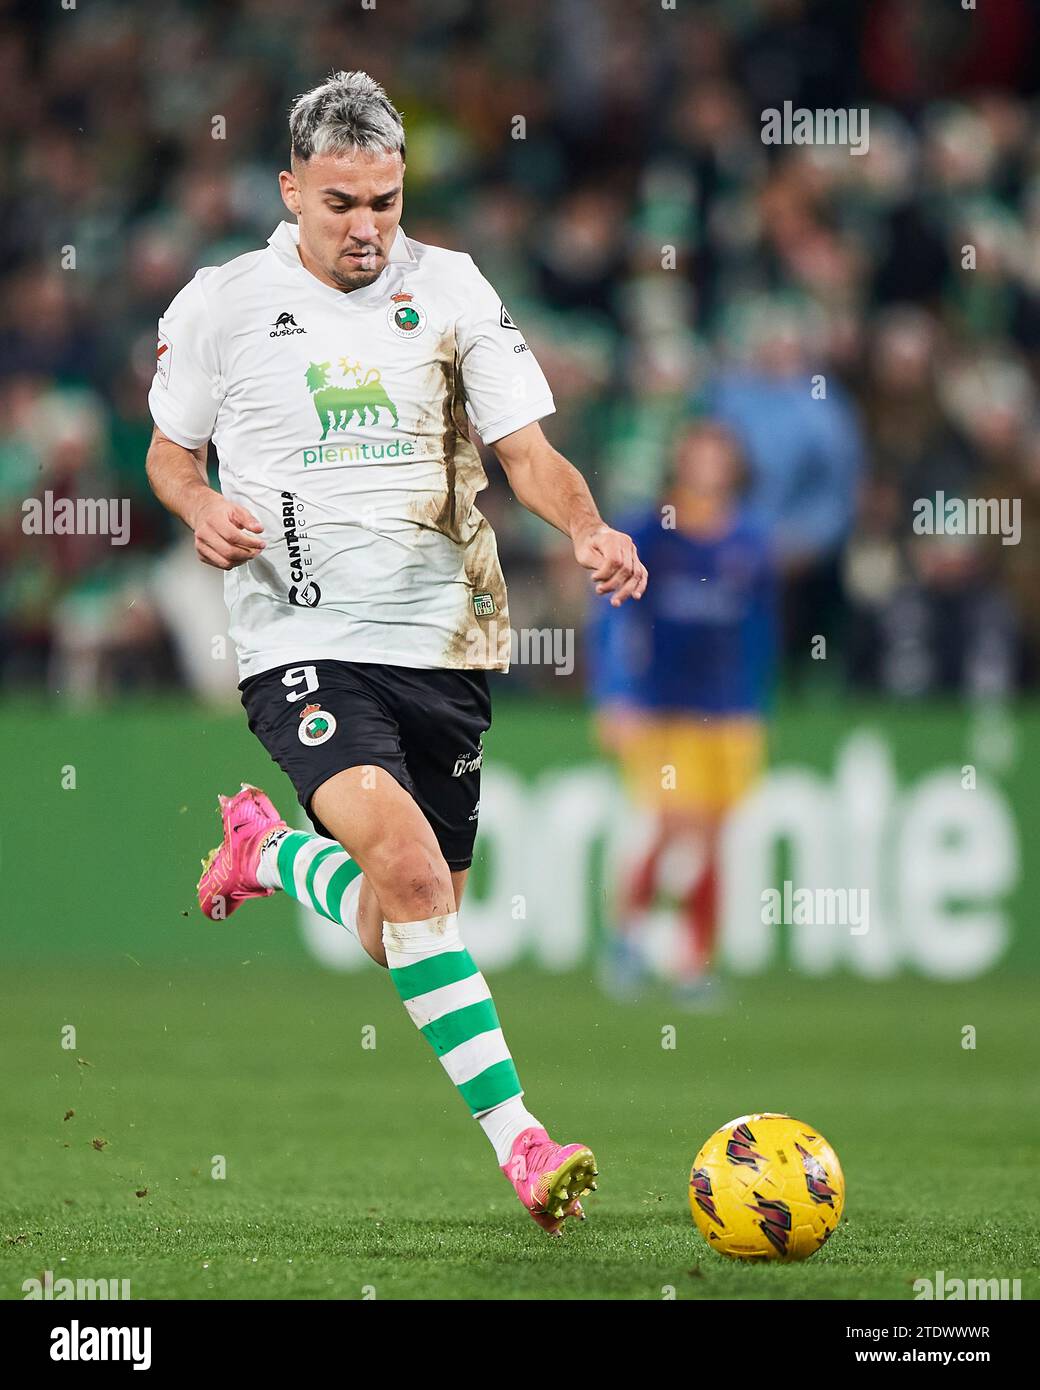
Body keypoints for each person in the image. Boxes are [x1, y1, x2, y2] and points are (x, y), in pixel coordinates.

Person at [144, 71, 646, 1237]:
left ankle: (269, 857)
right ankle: (522, 1141)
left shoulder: (455, 289)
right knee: (414, 878)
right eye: (341, 203)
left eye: (385, 199)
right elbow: (171, 454)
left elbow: (525, 450)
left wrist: (583, 525)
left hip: (446, 640)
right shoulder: (225, 303)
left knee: (397, 922)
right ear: (289, 191)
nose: (368, 226)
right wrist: (196, 507)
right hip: (300, 641)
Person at [589, 419, 775, 1005]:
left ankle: (696, 962)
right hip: (665, 708)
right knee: (677, 827)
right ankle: (627, 938)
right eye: (697, 456)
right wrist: (616, 694)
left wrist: (755, 703)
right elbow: (613, 617)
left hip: (727, 710)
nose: (707, 468)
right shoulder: (652, 530)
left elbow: (760, 632)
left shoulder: (749, 539)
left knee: (714, 839)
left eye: (718, 457)